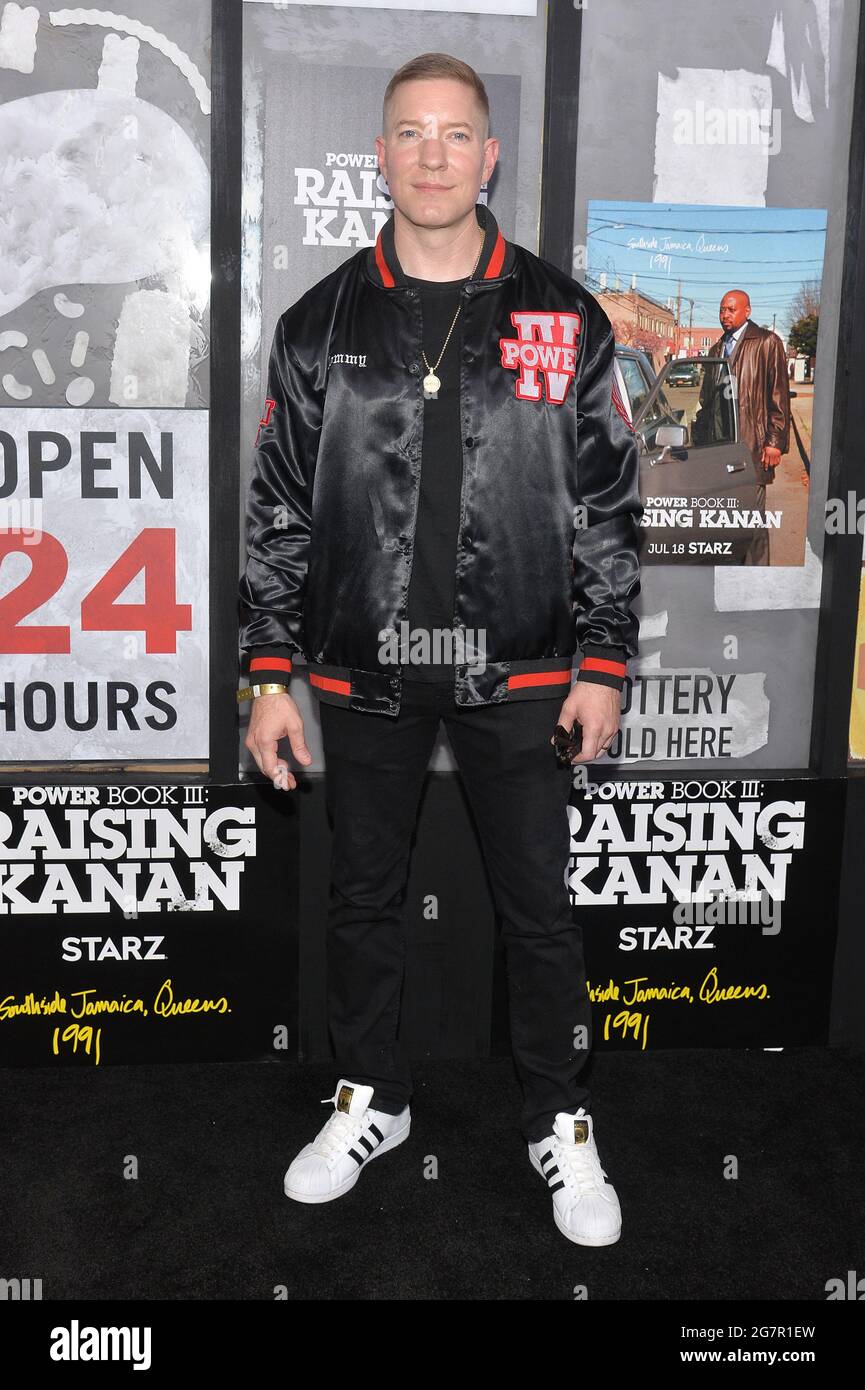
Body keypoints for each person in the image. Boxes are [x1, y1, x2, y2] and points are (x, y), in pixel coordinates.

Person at [237, 52, 643, 1248]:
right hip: (361, 672)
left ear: (489, 154)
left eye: (454, 134)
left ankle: (559, 1118)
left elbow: (610, 505)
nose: (431, 154)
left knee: (537, 912)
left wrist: (605, 659)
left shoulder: (561, 316)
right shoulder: (318, 323)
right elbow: (277, 513)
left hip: (520, 664)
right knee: (361, 899)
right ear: (381, 154)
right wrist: (267, 669)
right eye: (409, 133)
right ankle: (373, 1095)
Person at [704, 290, 791, 564]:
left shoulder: (767, 342)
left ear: (747, 311)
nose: (725, 315)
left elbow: (778, 395)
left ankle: (756, 585)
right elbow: (708, 403)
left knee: (752, 522)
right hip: (720, 450)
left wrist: (774, 441)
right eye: (722, 310)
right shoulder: (717, 349)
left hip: (753, 446)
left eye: (731, 309)